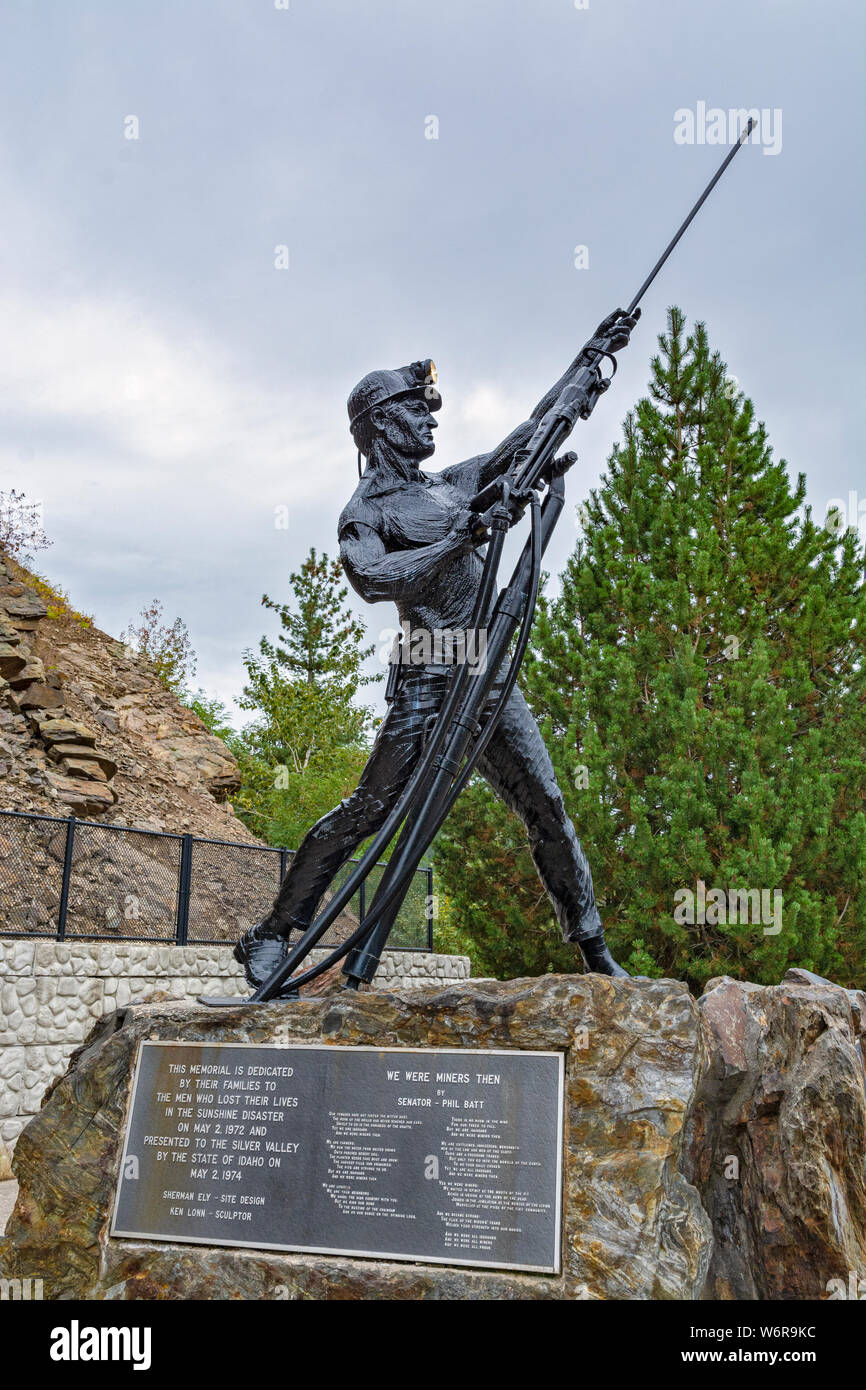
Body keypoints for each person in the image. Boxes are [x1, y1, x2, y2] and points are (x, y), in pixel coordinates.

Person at [236, 314, 638, 993]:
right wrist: (467, 535)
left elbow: (530, 435)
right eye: (417, 413)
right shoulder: (368, 510)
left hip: (487, 675)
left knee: (545, 803)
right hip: (427, 674)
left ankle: (593, 946)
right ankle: (272, 933)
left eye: (430, 413)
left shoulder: (450, 485)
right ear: (381, 424)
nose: (431, 424)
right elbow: (375, 579)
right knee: (367, 810)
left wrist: (588, 362)